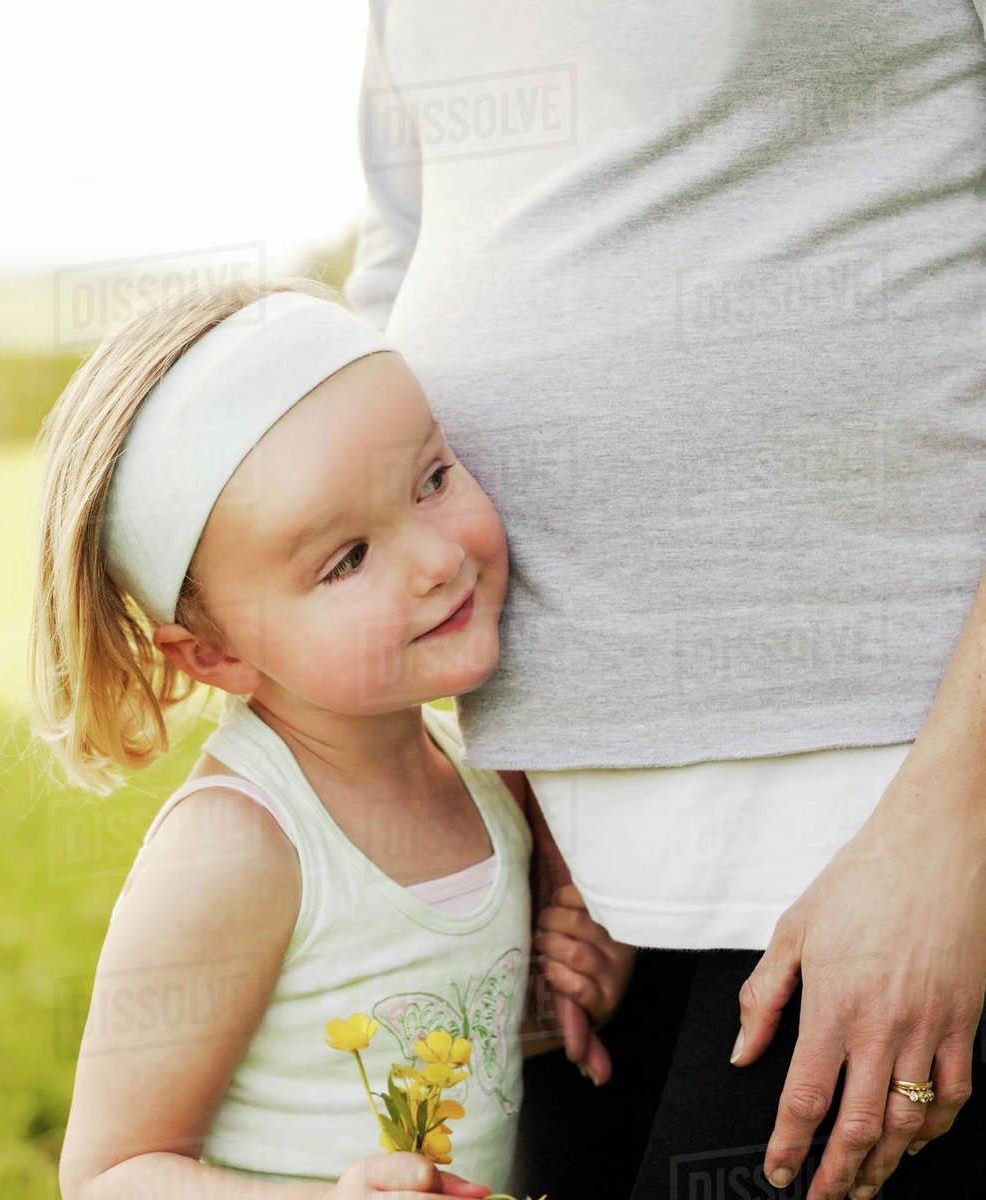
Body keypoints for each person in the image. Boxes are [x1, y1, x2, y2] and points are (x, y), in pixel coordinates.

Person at [343, 3, 986, 1198]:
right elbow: (408, 261)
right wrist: (515, 800)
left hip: (884, 807)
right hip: (571, 867)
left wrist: (956, 838)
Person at [28, 279, 620, 1199]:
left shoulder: (482, 771)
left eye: (432, 479)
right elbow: (109, 1173)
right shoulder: (237, 848)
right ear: (214, 654)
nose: (436, 559)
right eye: (346, 560)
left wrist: (553, 987)